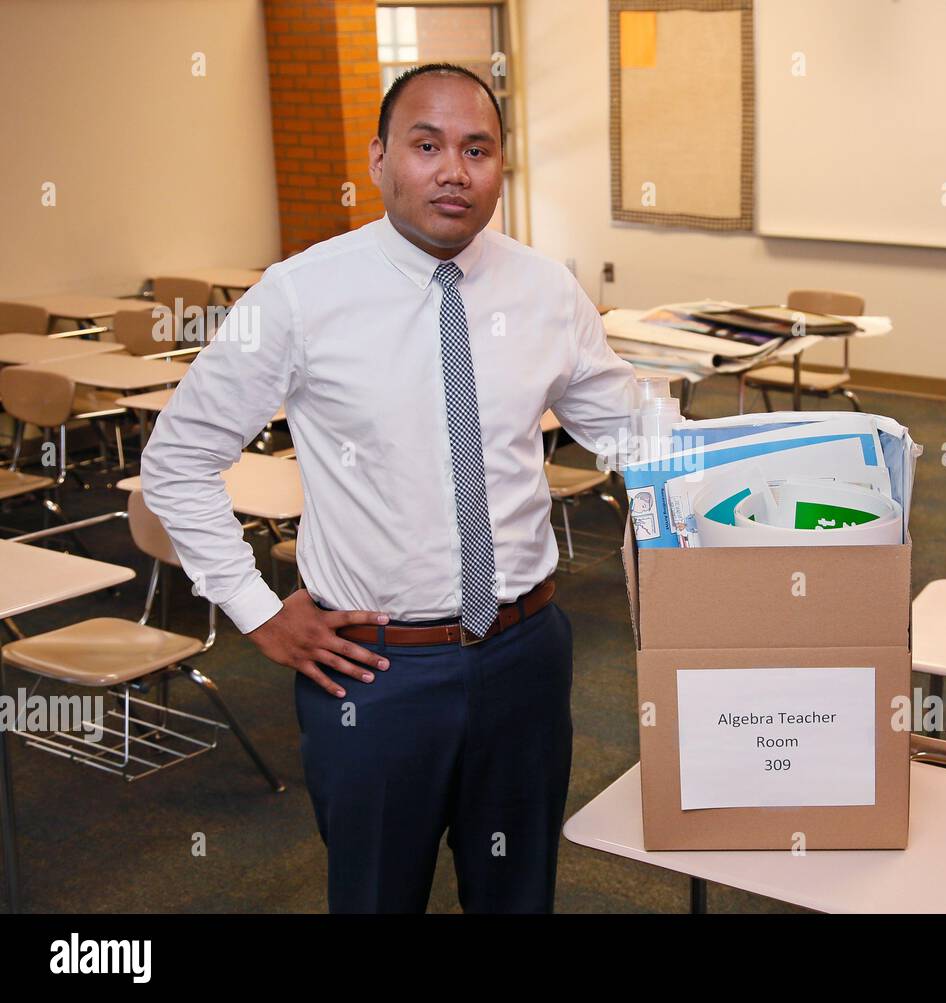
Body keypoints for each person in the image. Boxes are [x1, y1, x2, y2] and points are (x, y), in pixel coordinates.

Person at [141, 62, 635, 913]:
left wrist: (788, 457)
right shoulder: (299, 296)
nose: (454, 170)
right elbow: (176, 460)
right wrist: (257, 611)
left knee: (520, 895)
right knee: (376, 897)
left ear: (500, 167)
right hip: (377, 674)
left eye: (477, 149)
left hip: (526, 655)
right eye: (427, 144)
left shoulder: (544, 288)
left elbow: (630, 429)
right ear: (377, 159)